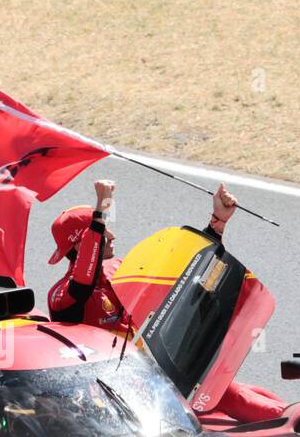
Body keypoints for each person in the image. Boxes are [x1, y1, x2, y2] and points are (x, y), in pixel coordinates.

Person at [46, 180, 287, 424]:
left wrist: (218, 222)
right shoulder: (62, 295)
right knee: (243, 401)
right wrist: (101, 209)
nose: (111, 235)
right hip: (117, 399)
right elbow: (83, 281)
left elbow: (188, 273)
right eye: (103, 229)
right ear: (81, 242)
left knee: (254, 393)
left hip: (162, 378)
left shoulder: (121, 269)